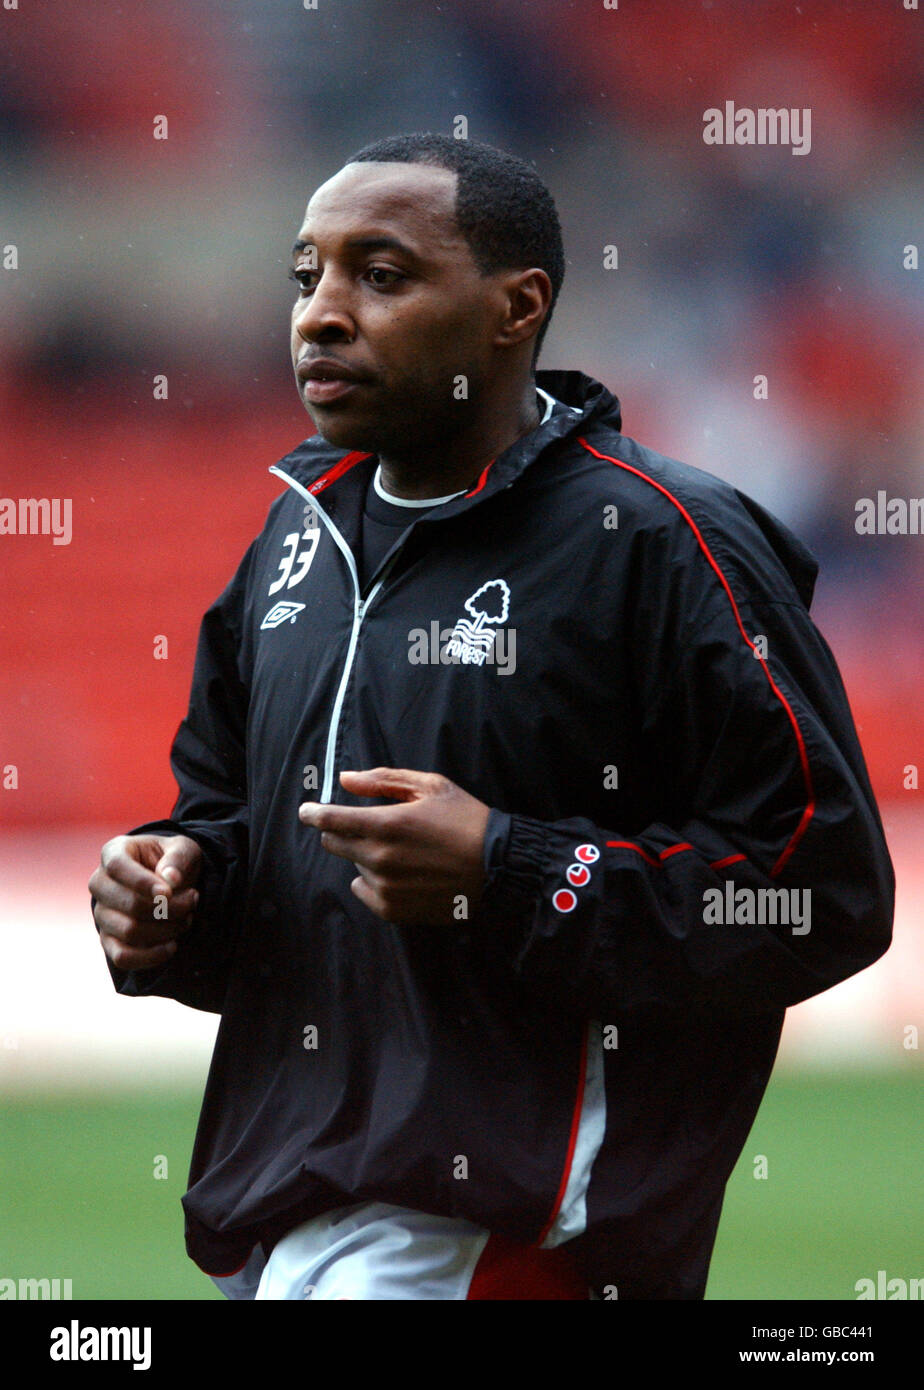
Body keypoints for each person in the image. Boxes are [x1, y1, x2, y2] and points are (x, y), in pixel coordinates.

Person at [88, 133, 894, 1301]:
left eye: (382, 273)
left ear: (517, 308)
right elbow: (233, 842)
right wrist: (175, 897)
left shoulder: (667, 544)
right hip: (279, 1223)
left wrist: (510, 868)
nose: (321, 313)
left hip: (513, 1238)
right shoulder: (290, 545)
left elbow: (823, 890)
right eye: (305, 273)